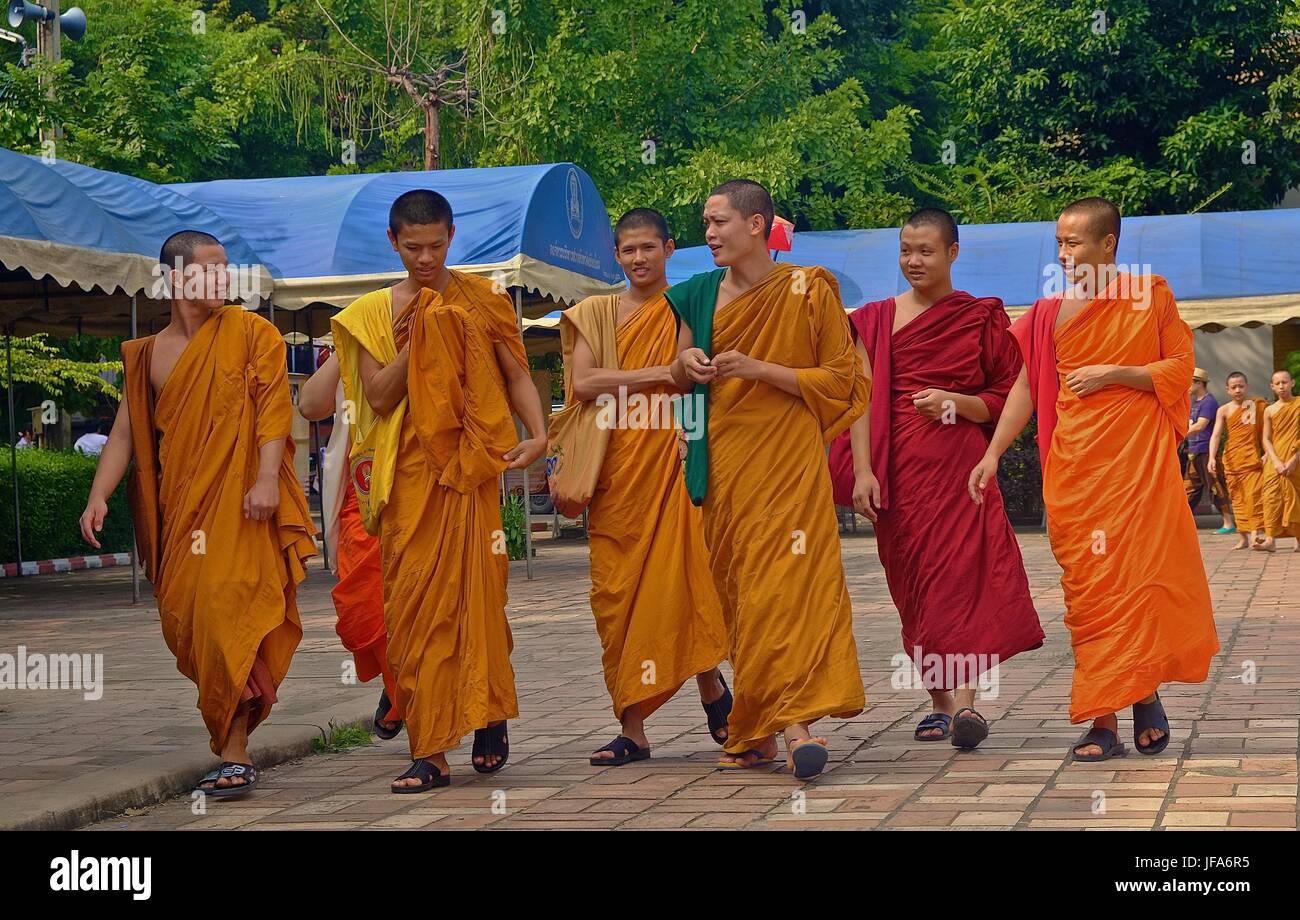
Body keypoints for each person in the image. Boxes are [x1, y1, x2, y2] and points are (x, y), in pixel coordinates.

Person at [968, 197, 1218, 762]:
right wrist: (992, 455)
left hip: (1136, 470)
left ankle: (1134, 699)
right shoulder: (1048, 311)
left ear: (1109, 245)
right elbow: (1027, 389)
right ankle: (1110, 712)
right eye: (1058, 242)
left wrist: (1117, 373)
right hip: (1077, 470)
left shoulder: (1148, 296)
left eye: (1074, 242)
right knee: (1090, 593)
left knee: (1137, 583)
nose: (1064, 252)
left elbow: (1179, 367)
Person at [78, 230, 316, 797]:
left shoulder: (252, 333)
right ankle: (235, 726)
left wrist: (265, 480)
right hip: (182, 516)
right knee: (195, 623)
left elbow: (272, 414)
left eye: (227, 267)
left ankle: (234, 750)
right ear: (176, 278)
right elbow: (125, 435)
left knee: (226, 611)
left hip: (242, 508)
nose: (224, 278)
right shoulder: (146, 355)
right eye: (211, 268)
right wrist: (98, 494)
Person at [331, 190, 547, 793]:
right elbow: (376, 397)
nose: (425, 258)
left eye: (436, 245)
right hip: (409, 478)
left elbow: (514, 373)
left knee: (479, 599)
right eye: (412, 246)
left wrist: (539, 434)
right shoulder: (373, 313)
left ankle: (489, 712)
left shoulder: (484, 299)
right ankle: (430, 749)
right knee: (416, 609)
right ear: (393, 242)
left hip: (473, 474)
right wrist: (423, 334)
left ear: (452, 236)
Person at [667, 179, 867, 779]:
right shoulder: (698, 296)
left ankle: (795, 725)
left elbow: (840, 379)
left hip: (788, 462)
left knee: (789, 588)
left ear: (756, 226)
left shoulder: (808, 290)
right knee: (747, 594)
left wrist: (760, 369)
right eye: (705, 223)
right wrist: (687, 365)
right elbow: (679, 377)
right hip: (726, 464)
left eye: (720, 221)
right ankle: (758, 727)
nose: (709, 233)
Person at [834, 208, 1043, 750]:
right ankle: (938, 700)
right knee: (914, 585)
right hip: (894, 475)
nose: (914, 261)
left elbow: (1007, 395)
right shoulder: (873, 319)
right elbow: (860, 401)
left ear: (952, 252)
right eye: (906, 251)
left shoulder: (978, 318)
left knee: (962, 580)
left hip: (959, 471)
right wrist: (861, 471)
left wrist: (957, 403)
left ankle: (968, 703)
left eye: (925, 251)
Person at [563, 207, 731, 767]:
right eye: (629, 250)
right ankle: (632, 730)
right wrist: (661, 373)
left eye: (649, 249)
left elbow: (699, 383)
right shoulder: (594, 313)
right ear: (616, 255)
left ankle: (710, 683)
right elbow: (584, 383)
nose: (639, 259)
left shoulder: (687, 305)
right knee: (618, 600)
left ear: (669, 249)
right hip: (616, 475)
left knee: (685, 581)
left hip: (671, 457)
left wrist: (694, 438)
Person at [297, 351, 403, 739]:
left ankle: (411, 701)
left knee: (419, 606)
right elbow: (309, 405)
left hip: (418, 489)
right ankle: (400, 692)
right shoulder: (353, 341)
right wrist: (347, 345)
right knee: (364, 606)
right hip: (360, 493)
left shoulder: (430, 330)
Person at [1206, 372, 1267, 550]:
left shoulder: (1256, 405)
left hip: (1252, 460)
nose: (1238, 390)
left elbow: (1266, 433)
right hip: (1232, 460)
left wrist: (1267, 454)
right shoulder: (1223, 410)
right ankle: (1243, 537)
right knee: (1237, 498)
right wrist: (1211, 457)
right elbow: (1216, 435)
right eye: (1234, 387)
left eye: (1241, 386)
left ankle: (1256, 535)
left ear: (1247, 386)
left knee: (1254, 496)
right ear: (1228, 390)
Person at [1256, 369, 1300, 553]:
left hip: (1296, 459)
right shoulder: (1269, 410)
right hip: (1276, 461)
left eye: (1285, 382)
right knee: (1271, 498)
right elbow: (1266, 438)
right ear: (1272, 387)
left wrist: (1294, 460)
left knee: (1296, 498)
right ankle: (1270, 540)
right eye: (1278, 383)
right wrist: (1275, 461)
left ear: (1293, 383)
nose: (1282, 386)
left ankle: (1299, 540)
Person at [1185, 368, 1233, 532]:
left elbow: (1200, 426)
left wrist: (1179, 433)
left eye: (1189, 382)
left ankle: (1228, 522)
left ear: (1199, 383)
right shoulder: (1196, 403)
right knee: (1188, 489)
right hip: (1194, 451)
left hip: (1206, 451)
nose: (1187, 386)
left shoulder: (1209, 402)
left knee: (1215, 486)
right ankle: (1183, 523)